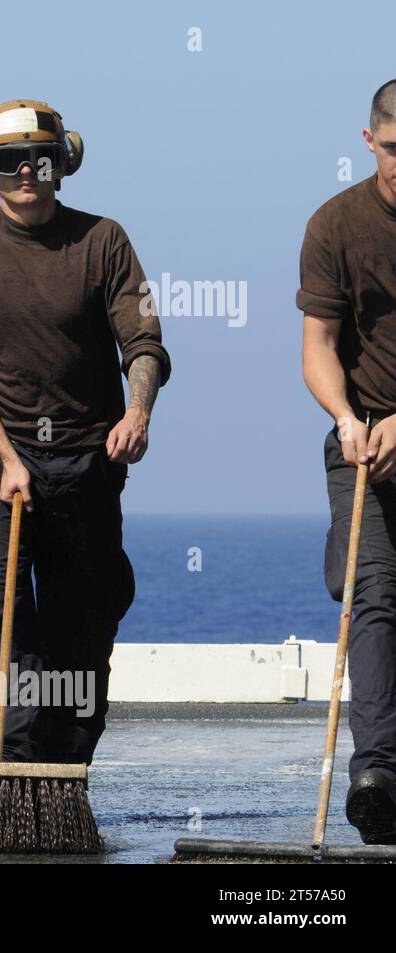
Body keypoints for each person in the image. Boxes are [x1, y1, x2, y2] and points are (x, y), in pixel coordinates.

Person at [0, 99, 170, 765]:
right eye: (9, 161)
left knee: (86, 617)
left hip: (88, 457)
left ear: (64, 161)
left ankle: (65, 761)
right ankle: (3, 746)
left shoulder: (105, 241)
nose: (26, 172)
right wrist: (8, 456)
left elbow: (144, 340)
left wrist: (138, 410)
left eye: (39, 156)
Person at [300, 80, 396, 844]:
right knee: (370, 592)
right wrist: (347, 419)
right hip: (362, 445)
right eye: (394, 150)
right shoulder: (334, 224)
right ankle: (378, 774)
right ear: (369, 141)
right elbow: (319, 348)